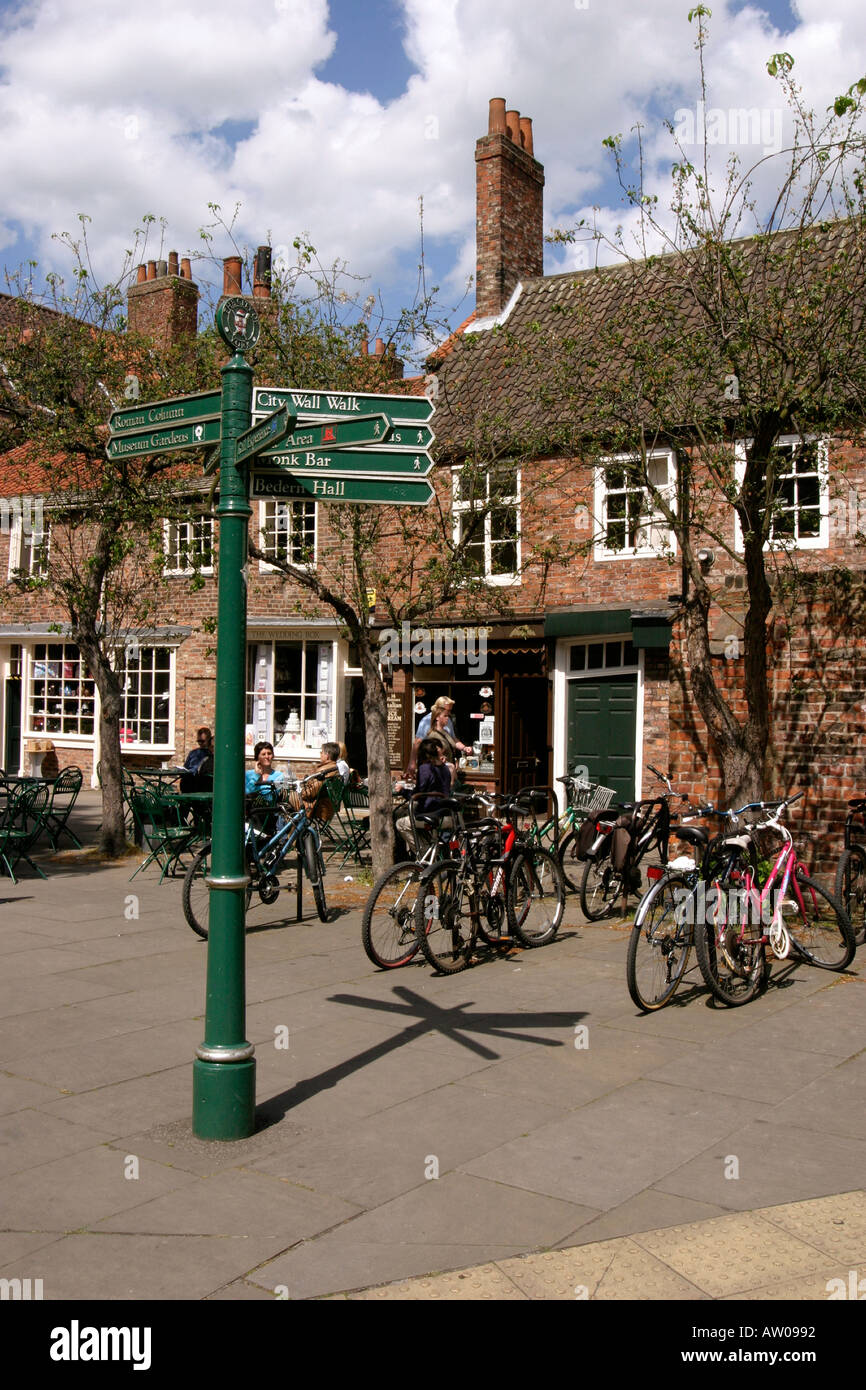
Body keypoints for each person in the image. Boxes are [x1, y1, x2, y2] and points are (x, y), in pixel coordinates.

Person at [395, 738, 452, 854]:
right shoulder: (446, 768)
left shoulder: (425, 768)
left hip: (431, 814)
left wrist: (402, 790)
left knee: (400, 823)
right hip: (447, 815)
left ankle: (424, 853)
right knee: (404, 814)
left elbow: (417, 795)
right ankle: (429, 849)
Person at [406, 697, 472, 779]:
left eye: (450, 710)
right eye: (447, 710)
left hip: (447, 768)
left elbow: (453, 739)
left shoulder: (448, 721)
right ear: (439, 709)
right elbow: (417, 742)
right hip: (435, 769)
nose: (449, 713)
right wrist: (412, 763)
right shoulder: (426, 721)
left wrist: (464, 748)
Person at [180, 727, 213, 792]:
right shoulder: (193, 753)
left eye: (202, 741)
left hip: (202, 781)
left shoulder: (211, 754)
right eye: (198, 741)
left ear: (208, 740)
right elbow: (185, 767)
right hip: (189, 780)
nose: (200, 743)